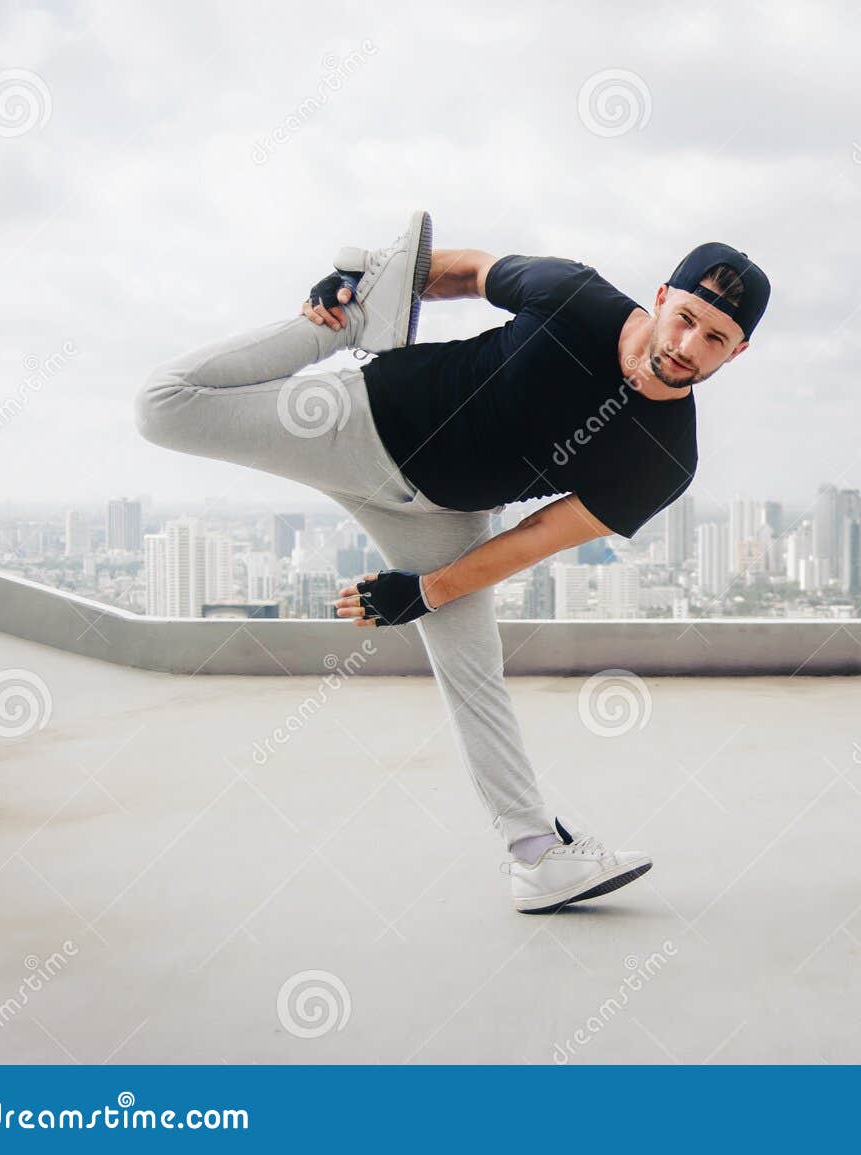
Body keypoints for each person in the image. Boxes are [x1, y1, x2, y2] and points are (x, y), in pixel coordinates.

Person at [134, 210, 770, 913]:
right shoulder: (574, 295)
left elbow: (536, 536)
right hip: (354, 423)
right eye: (685, 317)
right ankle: (342, 329)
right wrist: (353, 292)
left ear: (735, 355)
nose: (688, 345)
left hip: (447, 518)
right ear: (661, 297)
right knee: (161, 405)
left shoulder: (667, 458)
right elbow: (466, 270)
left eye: (715, 338)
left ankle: (536, 855)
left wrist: (426, 592)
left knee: (474, 671)